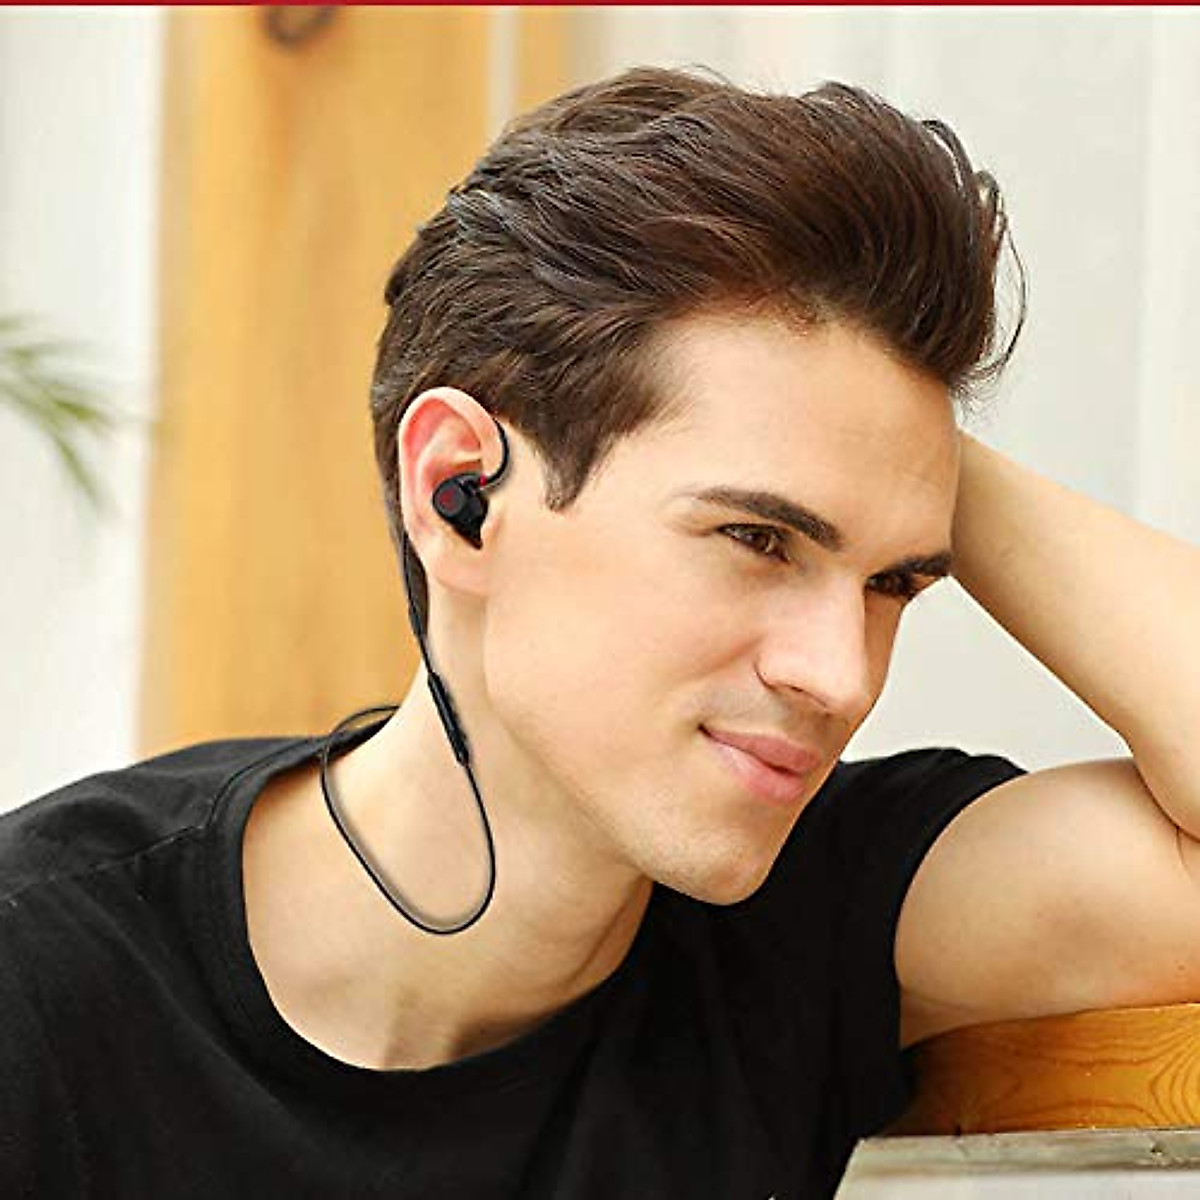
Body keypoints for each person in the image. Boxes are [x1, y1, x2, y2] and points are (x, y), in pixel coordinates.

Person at [3, 65, 1198, 1200]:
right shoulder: (42, 988)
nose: (841, 676)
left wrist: (885, 440)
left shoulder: (806, 918)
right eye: (756, 537)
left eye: (892, 581)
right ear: (458, 492)